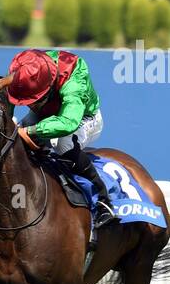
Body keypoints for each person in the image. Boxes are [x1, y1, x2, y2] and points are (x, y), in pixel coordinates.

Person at [6, 48, 116, 232]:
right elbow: (11, 95)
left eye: (34, 101)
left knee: (63, 144)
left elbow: (68, 122)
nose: (30, 106)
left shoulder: (73, 80)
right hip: (50, 112)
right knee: (14, 142)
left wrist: (29, 131)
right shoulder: (27, 67)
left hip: (82, 118)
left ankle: (103, 199)